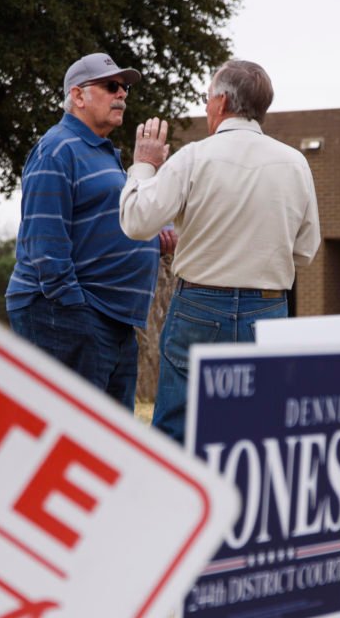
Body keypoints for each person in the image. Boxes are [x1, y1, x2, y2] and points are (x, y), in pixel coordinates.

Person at [120, 59, 321, 444]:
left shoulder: (194, 157)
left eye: (208, 98)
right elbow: (306, 251)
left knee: (178, 428)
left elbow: (136, 221)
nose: (207, 105)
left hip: (198, 305)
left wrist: (144, 166)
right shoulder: (295, 163)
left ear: (222, 101)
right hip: (267, 306)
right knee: (259, 430)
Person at [5, 52, 174, 410]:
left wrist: (149, 240)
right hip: (72, 315)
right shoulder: (56, 149)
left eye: (125, 88)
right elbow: (44, 241)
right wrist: (74, 308)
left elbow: (100, 224)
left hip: (110, 319)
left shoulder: (103, 153)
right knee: (77, 433)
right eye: (111, 86)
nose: (122, 94)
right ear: (78, 96)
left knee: (110, 441)